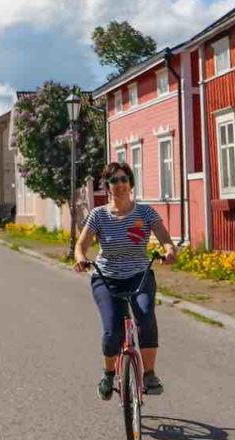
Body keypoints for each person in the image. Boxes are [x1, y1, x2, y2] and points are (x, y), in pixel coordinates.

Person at [73, 161, 177, 400]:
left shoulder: (145, 213)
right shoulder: (98, 215)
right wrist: (80, 259)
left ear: (130, 183)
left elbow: (164, 238)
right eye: (114, 181)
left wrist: (169, 250)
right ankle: (108, 375)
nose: (119, 184)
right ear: (108, 186)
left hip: (139, 275)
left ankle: (149, 374)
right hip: (106, 277)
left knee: (146, 317)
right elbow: (81, 245)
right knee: (113, 332)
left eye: (123, 179)